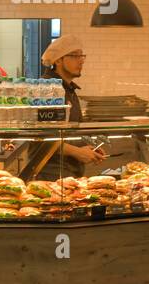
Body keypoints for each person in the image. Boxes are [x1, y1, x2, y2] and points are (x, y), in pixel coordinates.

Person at [41, 34, 106, 177]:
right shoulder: (48, 89)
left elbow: (70, 132)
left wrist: (87, 148)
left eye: (82, 56)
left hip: (70, 173)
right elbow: (42, 138)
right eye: (75, 56)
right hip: (52, 175)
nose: (81, 61)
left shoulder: (69, 89)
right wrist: (77, 152)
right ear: (58, 60)